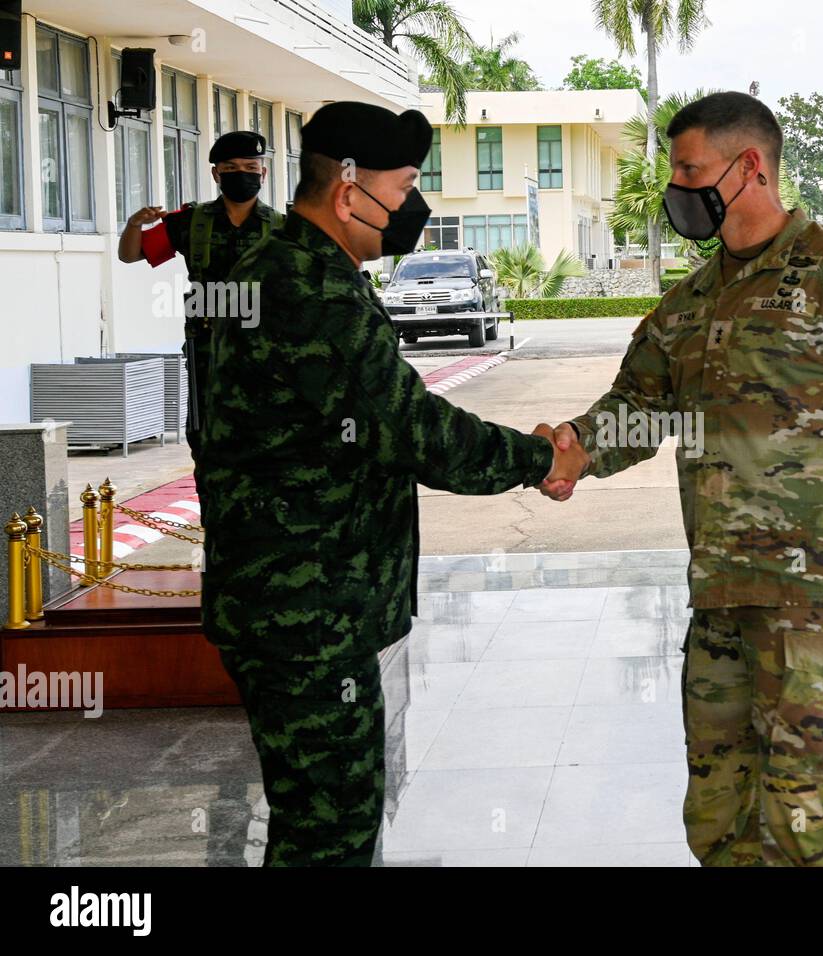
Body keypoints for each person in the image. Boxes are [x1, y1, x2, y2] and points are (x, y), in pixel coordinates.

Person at [538, 92, 823, 866]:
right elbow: (640, 408)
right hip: (722, 595)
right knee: (723, 815)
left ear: (748, 167)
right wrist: (574, 450)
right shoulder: (691, 304)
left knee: (816, 807)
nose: (677, 187)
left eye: (689, 169)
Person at [200, 101, 588, 866]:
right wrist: (542, 459)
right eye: (405, 184)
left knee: (314, 822)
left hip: (287, 602)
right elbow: (415, 433)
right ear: (348, 191)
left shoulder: (277, 266)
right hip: (305, 615)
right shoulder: (308, 289)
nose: (413, 204)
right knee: (330, 836)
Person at [117, 131, 284, 478]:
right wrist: (135, 223)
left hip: (267, 353)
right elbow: (131, 254)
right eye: (232, 167)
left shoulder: (285, 228)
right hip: (208, 352)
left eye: (251, 166)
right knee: (207, 440)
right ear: (216, 174)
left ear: (263, 173)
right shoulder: (192, 222)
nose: (243, 173)